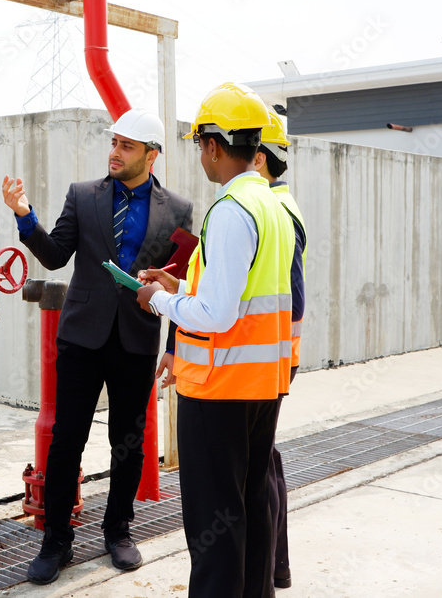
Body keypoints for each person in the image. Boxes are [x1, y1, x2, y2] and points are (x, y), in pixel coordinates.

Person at [1, 107, 193, 585]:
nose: (114, 152)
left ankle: (118, 531)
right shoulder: (83, 196)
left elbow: (180, 284)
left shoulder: (179, 210)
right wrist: (25, 217)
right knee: (67, 440)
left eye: (126, 146)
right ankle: (56, 541)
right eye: (113, 142)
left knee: (129, 443)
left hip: (137, 337)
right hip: (83, 336)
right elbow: (56, 254)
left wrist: (173, 343)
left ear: (150, 155)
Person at [136, 83, 294, 598]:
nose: (200, 153)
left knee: (214, 534)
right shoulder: (272, 206)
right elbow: (242, 295)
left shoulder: (229, 210)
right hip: (259, 386)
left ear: (213, 145)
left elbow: (218, 315)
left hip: (217, 387)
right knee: (248, 513)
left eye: (199, 143)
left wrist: (157, 302)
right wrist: (180, 286)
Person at [257, 106, 307, 590]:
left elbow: (292, 300)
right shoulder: (281, 206)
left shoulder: (274, 211)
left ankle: (274, 567)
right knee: (265, 462)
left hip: (268, 361)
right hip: (273, 358)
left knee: (262, 467)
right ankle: (278, 567)